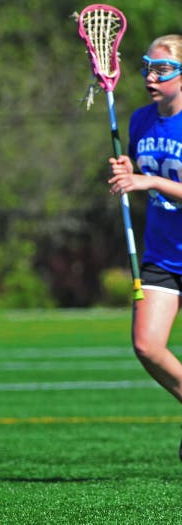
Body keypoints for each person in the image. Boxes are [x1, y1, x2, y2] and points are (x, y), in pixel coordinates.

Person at [107, 34, 182, 461]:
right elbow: (139, 170)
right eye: (146, 67)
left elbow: (154, 180)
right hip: (161, 252)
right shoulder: (139, 120)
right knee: (147, 345)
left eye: (162, 69)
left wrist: (149, 180)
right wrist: (127, 171)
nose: (150, 76)